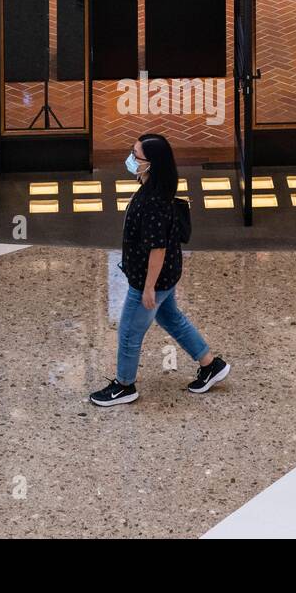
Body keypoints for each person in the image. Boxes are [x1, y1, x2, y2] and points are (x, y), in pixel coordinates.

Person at [89, 134, 229, 406]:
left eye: (136, 155)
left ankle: (124, 386)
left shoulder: (153, 203)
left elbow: (158, 249)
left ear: (151, 164)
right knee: (170, 317)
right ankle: (210, 365)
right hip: (167, 275)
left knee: (129, 331)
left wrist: (149, 287)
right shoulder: (154, 189)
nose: (131, 159)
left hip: (151, 279)